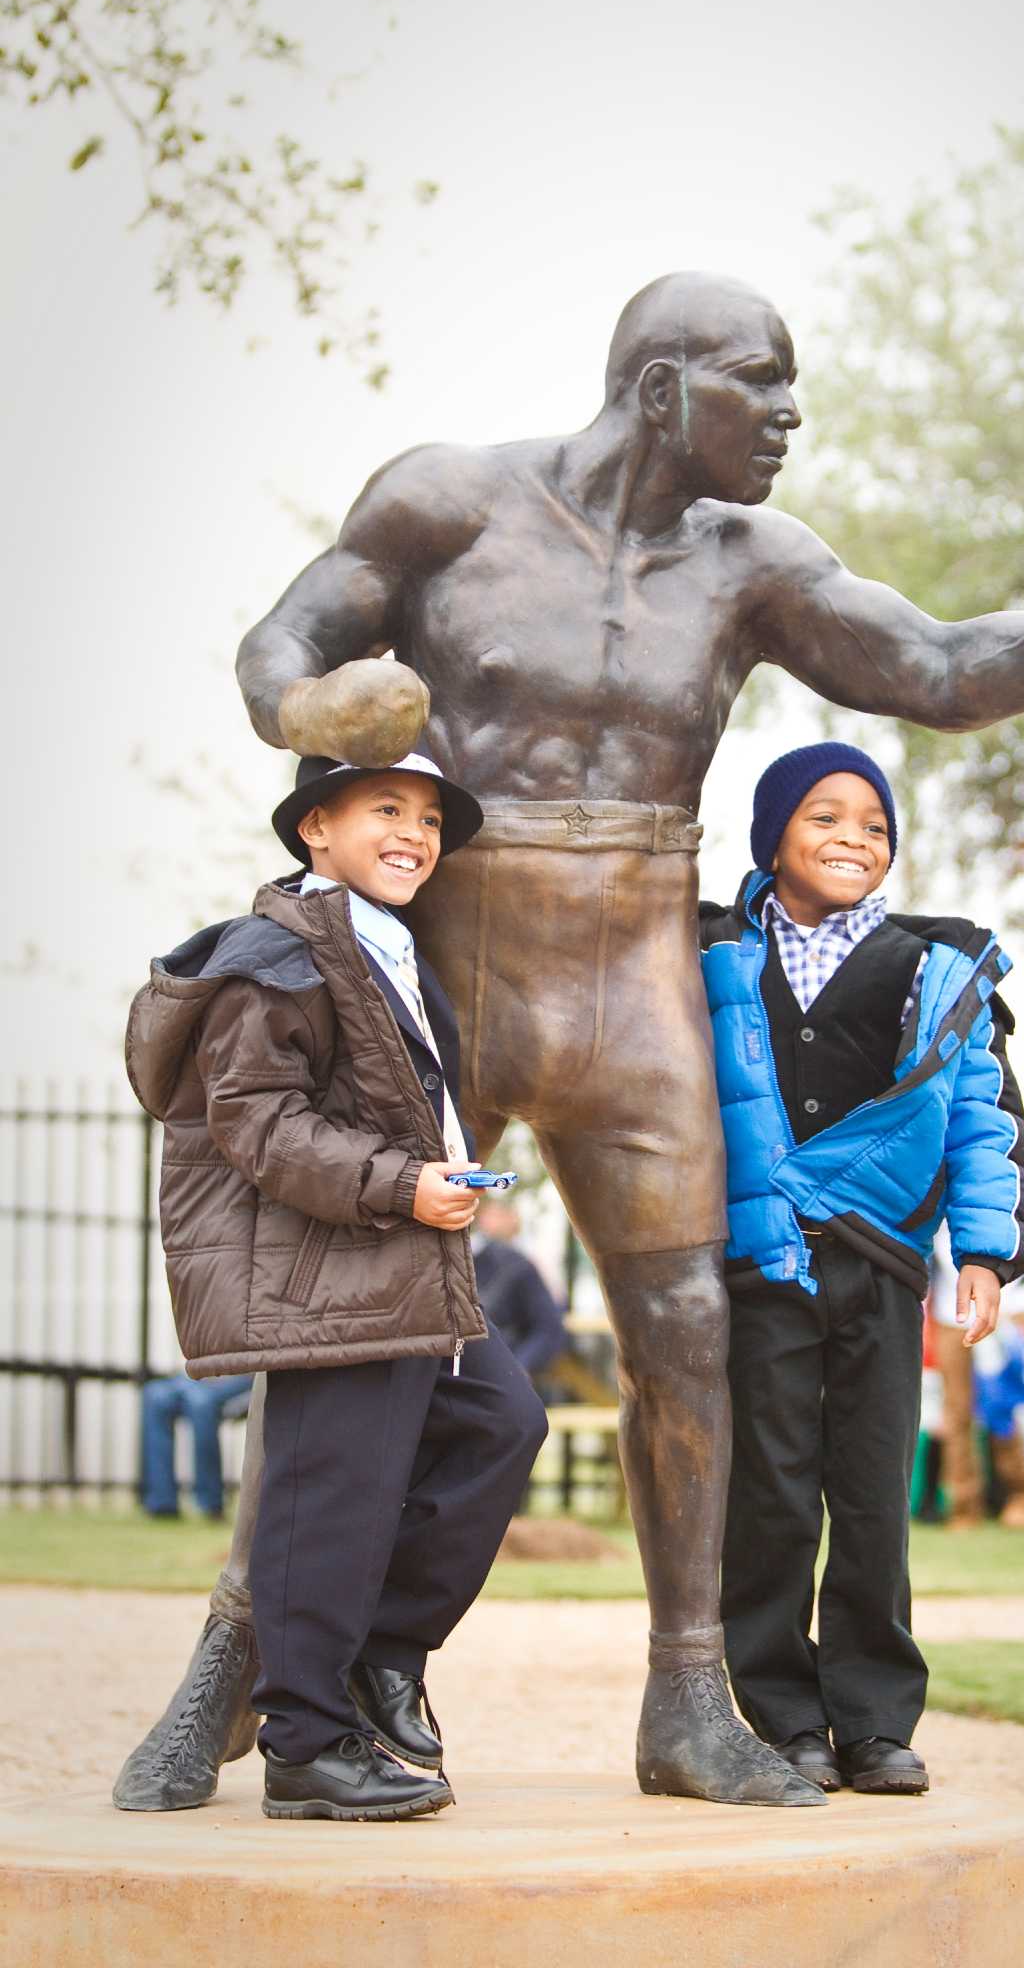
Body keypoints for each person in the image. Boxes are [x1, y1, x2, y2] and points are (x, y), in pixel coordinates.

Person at [130, 270, 1024, 1816]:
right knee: (343, 1328)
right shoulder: (450, 504)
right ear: (658, 390)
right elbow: (281, 638)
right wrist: (316, 698)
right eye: (758, 384)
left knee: (688, 1324)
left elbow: (945, 672)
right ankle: (236, 1663)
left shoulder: (754, 563)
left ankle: (688, 1699)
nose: (787, 416)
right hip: (446, 967)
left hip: (634, 969)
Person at [124, 753, 547, 1820]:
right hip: (334, 1271)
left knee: (504, 1419)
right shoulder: (284, 949)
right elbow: (253, 1118)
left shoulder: (388, 943)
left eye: (428, 818)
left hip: (407, 1265)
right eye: (385, 810)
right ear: (317, 827)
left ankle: (380, 1651)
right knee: (330, 1505)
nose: (414, 832)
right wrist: (402, 1183)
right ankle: (306, 1748)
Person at [699, 743, 1024, 1795]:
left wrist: (982, 1251)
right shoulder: (708, 951)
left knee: (875, 1496)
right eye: (825, 817)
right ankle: (782, 1714)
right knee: (771, 1497)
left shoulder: (937, 968)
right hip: (760, 1265)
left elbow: (984, 1116)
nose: (854, 838)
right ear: (771, 837)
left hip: (884, 1267)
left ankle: (875, 1720)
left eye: (874, 825)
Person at [930, 1258, 1024, 1532]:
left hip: (1001, 1311)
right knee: (957, 1413)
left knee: (1003, 1408)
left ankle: (1021, 1496)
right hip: (949, 1316)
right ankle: (963, 1506)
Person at [472, 1198, 569, 1380]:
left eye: (499, 1214)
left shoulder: (525, 1262)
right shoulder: (468, 1256)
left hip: (505, 1358)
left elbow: (549, 1325)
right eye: (490, 1214)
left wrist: (521, 1365)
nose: (491, 1221)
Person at [140, 1371, 253, 1520]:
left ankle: (211, 1503)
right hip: (200, 1376)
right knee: (155, 1394)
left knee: (199, 1401)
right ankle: (162, 1503)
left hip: (242, 1375)